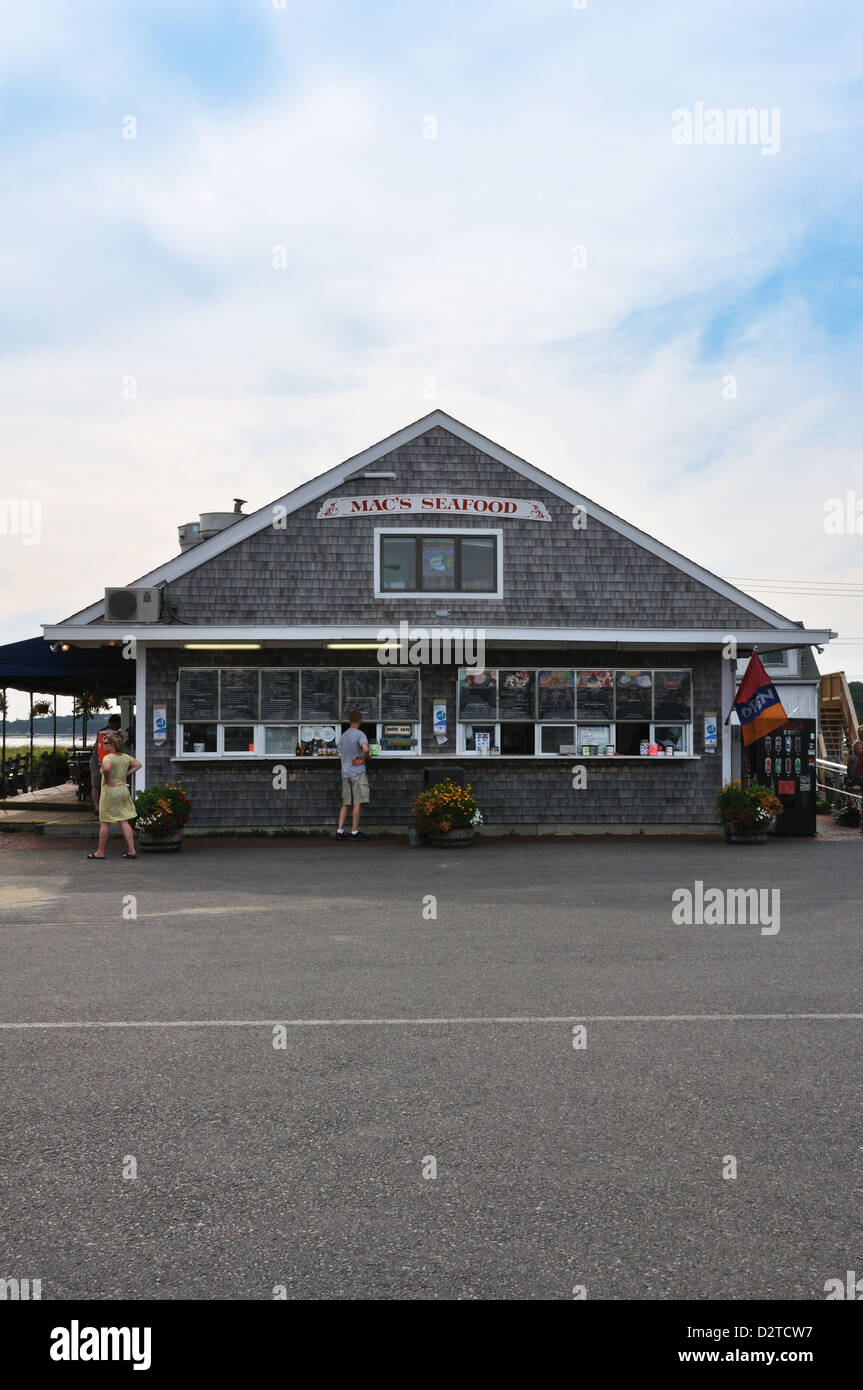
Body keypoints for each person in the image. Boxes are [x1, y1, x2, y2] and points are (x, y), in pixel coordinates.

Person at [87, 732, 141, 859]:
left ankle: (100, 852)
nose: (103, 745)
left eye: (105, 743)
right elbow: (138, 764)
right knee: (124, 821)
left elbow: (106, 768)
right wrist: (125, 775)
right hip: (122, 791)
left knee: (105, 823)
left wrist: (106, 778)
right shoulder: (125, 757)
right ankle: (132, 850)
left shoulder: (108, 758)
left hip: (109, 792)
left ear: (112, 745)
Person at [337, 709, 370, 841]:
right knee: (357, 802)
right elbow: (366, 749)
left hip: (345, 772)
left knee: (345, 803)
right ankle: (354, 832)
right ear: (360, 721)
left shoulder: (343, 736)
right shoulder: (360, 734)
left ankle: (339, 831)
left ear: (350, 720)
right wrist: (362, 759)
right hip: (357, 772)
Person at [89, 713, 123, 815]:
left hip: (110, 762)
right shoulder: (102, 732)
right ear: (110, 723)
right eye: (114, 724)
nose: (115, 727)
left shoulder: (118, 733)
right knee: (96, 785)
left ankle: (109, 808)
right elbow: (98, 747)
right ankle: (97, 808)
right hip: (96, 760)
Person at [846, 738, 863, 836]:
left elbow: (849, 770)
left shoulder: (853, 758)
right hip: (858, 779)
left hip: (856, 779)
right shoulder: (855, 757)